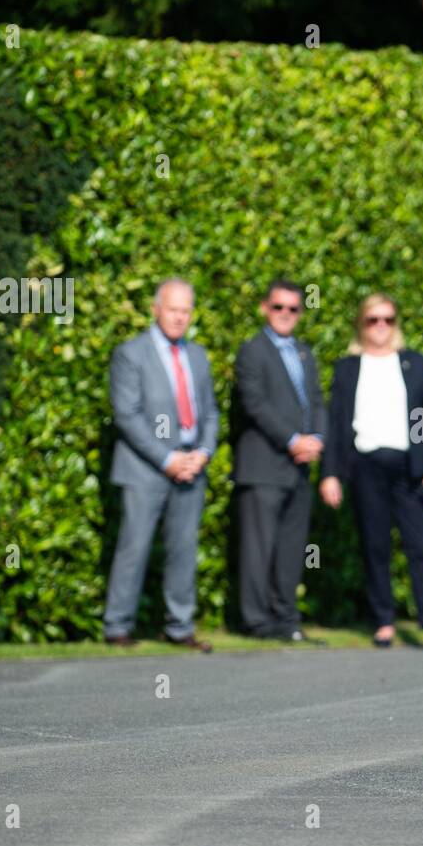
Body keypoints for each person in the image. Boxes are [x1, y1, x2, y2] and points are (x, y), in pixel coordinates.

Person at [318, 293, 423, 648]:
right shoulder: (347, 368)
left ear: (395, 323)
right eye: (373, 319)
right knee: (375, 546)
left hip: (410, 468)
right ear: (362, 324)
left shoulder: (414, 363)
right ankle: (383, 621)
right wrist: (330, 473)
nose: (381, 326)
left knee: (420, 546)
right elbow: (336, 425)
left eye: (387, 319)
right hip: (366, 466)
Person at [103, 278, 218, 652]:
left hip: (192, 466)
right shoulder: (130, 354)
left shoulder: (198, 356)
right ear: (156, 309)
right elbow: (127, 415)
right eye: (173, 309)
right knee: (134, 547)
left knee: (184, 549)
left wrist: (202, 452)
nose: (179, 317)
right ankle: (118, 625)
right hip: (145, 468)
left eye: (186, 310)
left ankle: (180, 626)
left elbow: (210, 413)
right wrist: (168, 459)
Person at [232, 279, 327, 643]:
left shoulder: (304, 352)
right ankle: (256, 621)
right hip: (264, 465)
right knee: (258, 547)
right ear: (264, 308)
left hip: (299, 467)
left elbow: (316, 401)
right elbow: (255, 404)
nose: (285, 314)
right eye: (278, 307)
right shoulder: (252, 351)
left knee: (291, 547)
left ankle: (286, 617)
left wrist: (316, 439)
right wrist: (292, 440)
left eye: (293, 308)